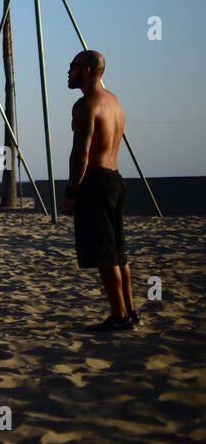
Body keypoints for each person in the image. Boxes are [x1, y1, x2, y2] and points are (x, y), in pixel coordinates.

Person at [60, 50, 135, 333]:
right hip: (115, 179)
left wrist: (71, 190)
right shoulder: (113, 102)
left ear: (88, 70)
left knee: (105, 255)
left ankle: (119, 317)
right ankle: (129, 310)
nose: (68, 72)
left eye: (73, 67)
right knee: (119, 252)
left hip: (96, 181)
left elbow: (81, 152)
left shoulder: (85, 105)